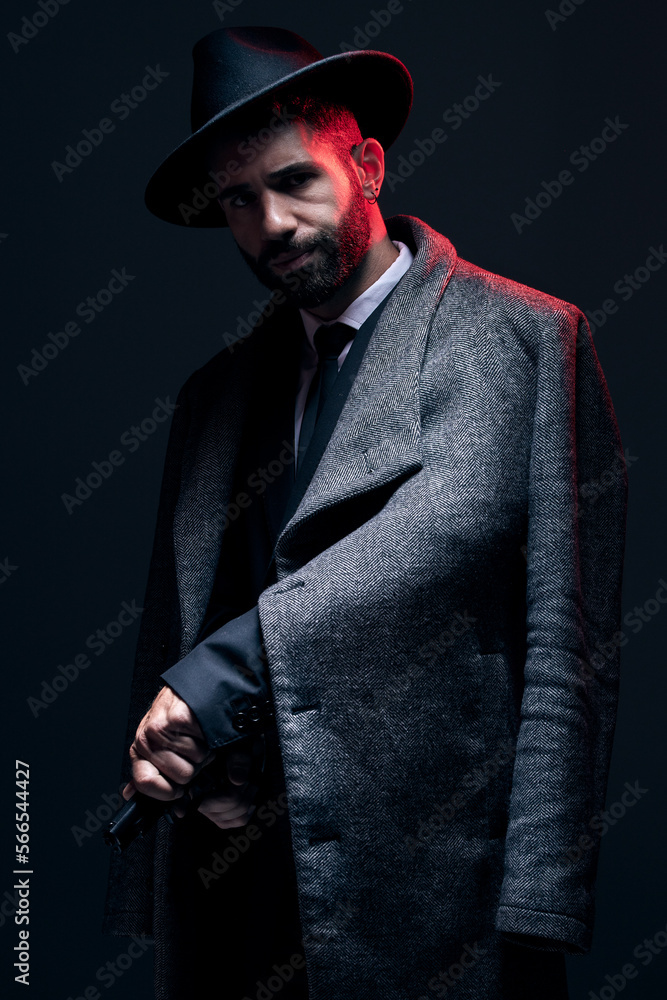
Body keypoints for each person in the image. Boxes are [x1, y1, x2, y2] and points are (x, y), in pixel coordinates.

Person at [103, 25, 628, 1000]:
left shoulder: (520, 336)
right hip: (234, 901)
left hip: (432, 908)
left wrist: (537, 911)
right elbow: (176, 625)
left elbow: (564, 645)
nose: (271, 223)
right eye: (237, 200)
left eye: (294, 180)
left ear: (367, 163)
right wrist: (188, 786)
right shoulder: (212, 397)